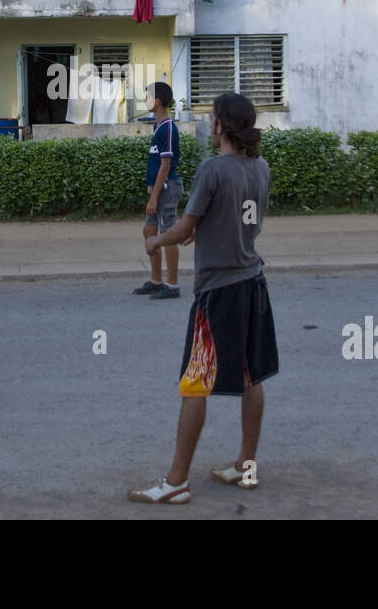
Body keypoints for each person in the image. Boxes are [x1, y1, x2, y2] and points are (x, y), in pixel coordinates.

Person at [129, 92, 276, 504]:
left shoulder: (212, 169)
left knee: (195, 383)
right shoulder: (260, 168)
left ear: (219, 126)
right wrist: (200, 230)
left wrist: (158, 240)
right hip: (253, 284)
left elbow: (183, 225)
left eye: (211, 118)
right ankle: (246, 468)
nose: (208, 124)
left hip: (219, 291)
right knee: (251, 376)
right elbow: (243, 219)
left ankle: (176, 481)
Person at [134, 82, 182, 299]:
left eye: (147, 96)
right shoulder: (158, 126)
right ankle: (156, 281)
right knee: (149, 231)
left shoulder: (169, 127)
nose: (144, 100)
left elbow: (166, 165)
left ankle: (172, 286)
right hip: (157, 188)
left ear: (157, 101)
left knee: (168, 234)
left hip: (167, 188)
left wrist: (154, 197)